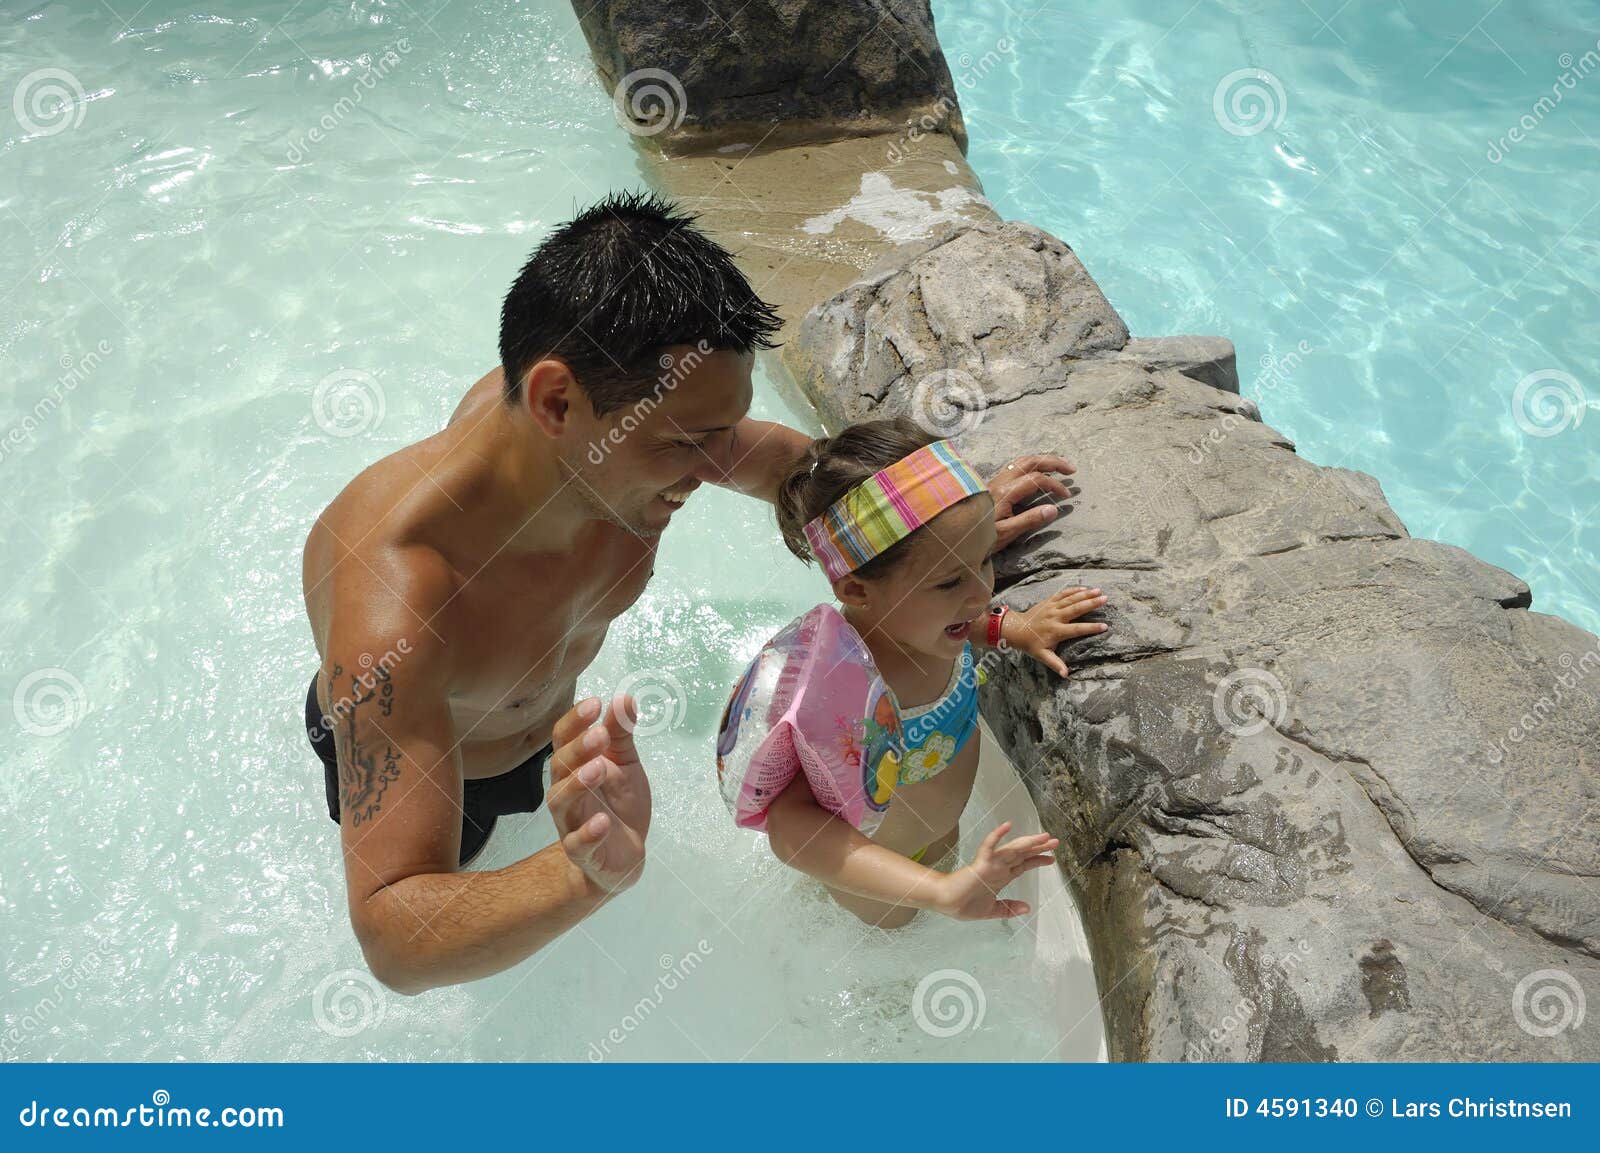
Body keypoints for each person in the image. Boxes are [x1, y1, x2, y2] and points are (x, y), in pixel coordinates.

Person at [302, 192, 1075, 992]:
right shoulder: (399, 602)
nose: (720, 466)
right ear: (557, 402)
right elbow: (396, 937)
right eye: (686, 442)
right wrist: (582, 876)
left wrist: (951, 521)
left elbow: (806, 476)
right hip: (451, 764)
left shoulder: (615, 443)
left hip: (550, 737)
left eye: (725, 428)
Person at [716, 419, 1109, 928]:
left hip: (938, 841)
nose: (980, 594)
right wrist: (940, 891)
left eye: (983, 559)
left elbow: (956, 621)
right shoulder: (843, 685)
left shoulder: (919, 620)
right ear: (857, 591)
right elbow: (792, 830)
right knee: (892, 976)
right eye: (950, 581)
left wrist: (1016, 628)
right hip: (883, 889)